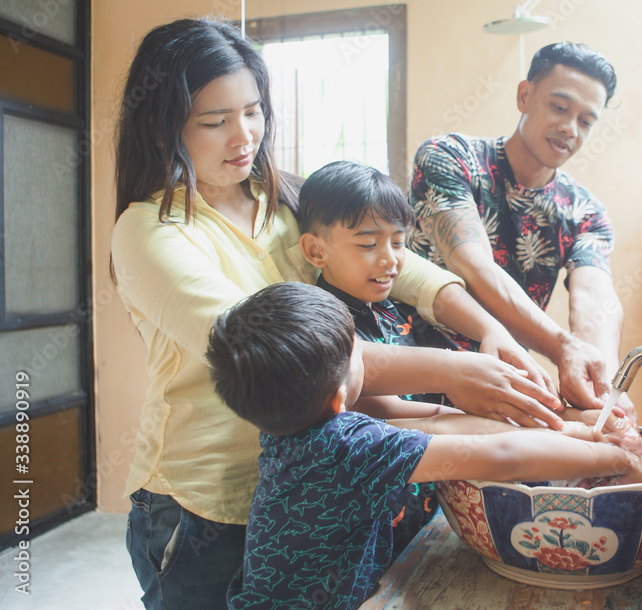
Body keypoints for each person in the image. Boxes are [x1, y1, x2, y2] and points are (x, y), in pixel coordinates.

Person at [110, 18, 563, 608]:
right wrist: (456, 374)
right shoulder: (149, 231)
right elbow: (281, 353)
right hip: (205, 507)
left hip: (303, 481)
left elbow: (401, 265)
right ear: (161, 123)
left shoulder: (288, 202)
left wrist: (489, 329)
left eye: (253, 111)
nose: (243, 137)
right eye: (215, 121)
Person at [205, 282, 642, 609]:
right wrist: (617, 458)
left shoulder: (291, 428)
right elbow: (501, 457)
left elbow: (440, 423)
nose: (368, 353)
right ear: (338, 395)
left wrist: (576, 428)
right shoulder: (347, 449)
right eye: (358, 350)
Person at [408, 42, 635, 417]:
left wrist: (603, 385)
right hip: (411, 370)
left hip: (504, 381)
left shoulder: (585, 212)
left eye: (585, 121)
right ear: (524, 96)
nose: (569, 129)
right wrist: (563, 347)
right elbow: (472, 263)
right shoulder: (449, 158)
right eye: (559, 108)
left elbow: (595, 298)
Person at [298, 160, 551, 405]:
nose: (390, 259)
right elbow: (395, 417)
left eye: (398, 243)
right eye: (368, 245)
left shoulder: (403, 313)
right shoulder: (325, 329)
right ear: (316, 251)